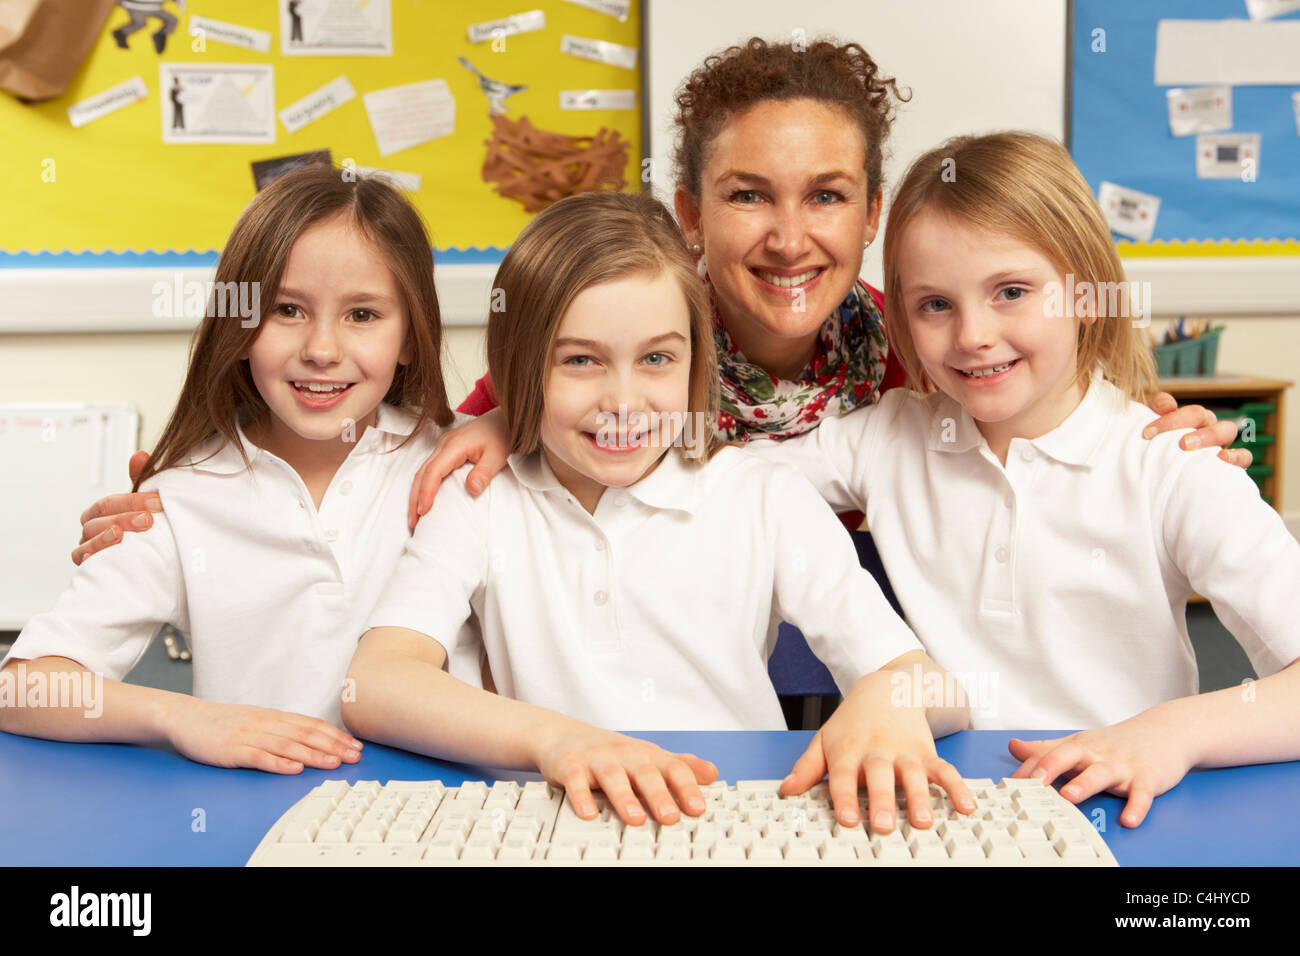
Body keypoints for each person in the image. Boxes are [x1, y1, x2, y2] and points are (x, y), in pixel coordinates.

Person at [71, 37, 1245, 556]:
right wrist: (207, 507)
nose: (790, 237)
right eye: (747, 196)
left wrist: (1158, 433)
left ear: (871, 214)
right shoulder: (612, 343)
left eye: (826, 195)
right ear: (688, 212)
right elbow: (419, 464)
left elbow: (1057, 443)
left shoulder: (929, 355)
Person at [342, 190, 974, 832]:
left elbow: (944, 695)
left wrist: (881, 696)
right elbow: (376, 683)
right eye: (580, 360)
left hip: (733, 826)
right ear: (520, 366)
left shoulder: (763, 497)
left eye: (656, 359)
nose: (624, 400)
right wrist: (560, 742)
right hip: (558, 829)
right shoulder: (479, 496)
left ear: (696, 360)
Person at [746, 131, 1300, 827]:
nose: (973, 334)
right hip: (943, 808)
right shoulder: (890, 435)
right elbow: (730, 484)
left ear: (1087, 293)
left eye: (1011, 292)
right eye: (934, 305)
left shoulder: (1171, 460)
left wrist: (1174, 733)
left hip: (1122, 812)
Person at [0, 165, 482, 773]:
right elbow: (24, 688)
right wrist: (183, 716)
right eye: (287, 309)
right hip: (262, 823)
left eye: (363, 315)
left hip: (452, 826)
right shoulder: (180, 499)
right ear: (240, 326)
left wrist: (496, 426)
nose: (323, 349)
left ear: (410, 335)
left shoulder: (466, 462)